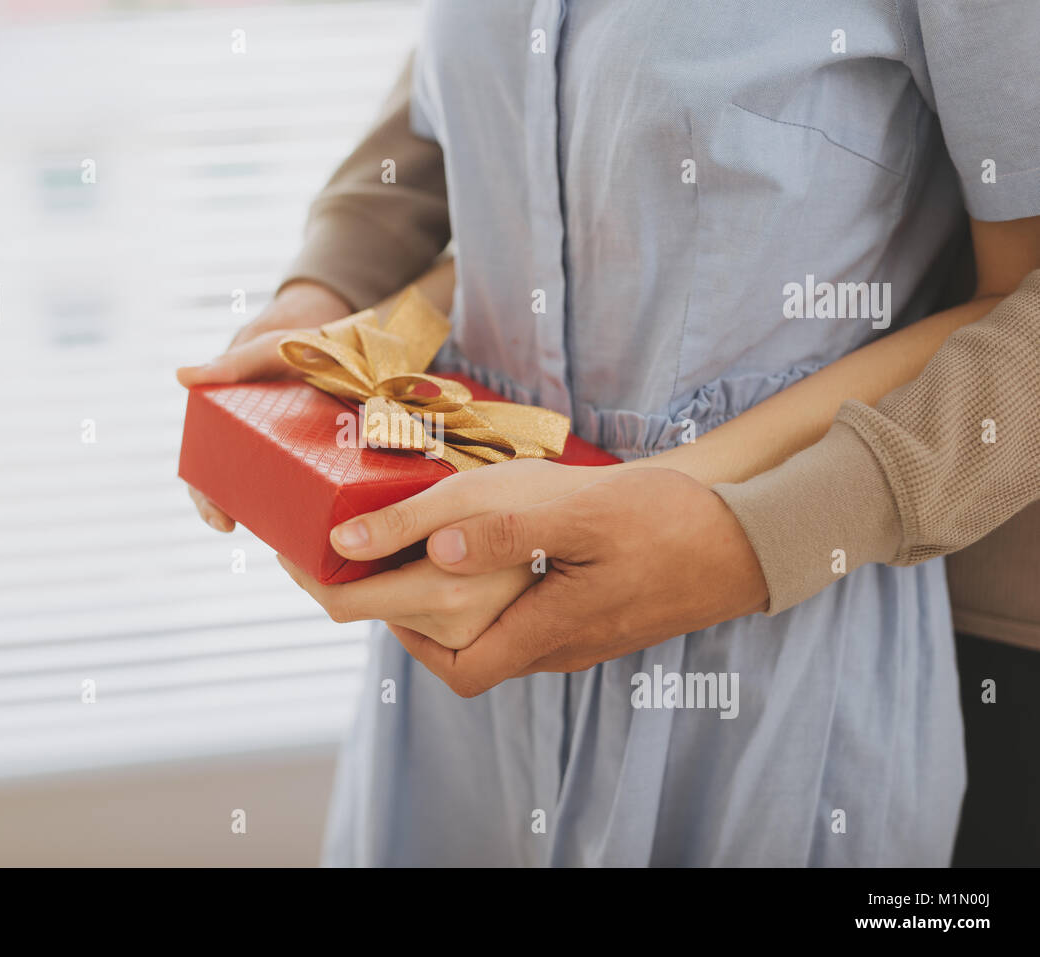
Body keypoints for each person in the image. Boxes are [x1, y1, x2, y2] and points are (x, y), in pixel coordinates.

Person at [179, 5, 1040, 865]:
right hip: (464, 649)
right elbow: (480, 95)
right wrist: (326, 294)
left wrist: (738, 538)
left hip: (771, 662)